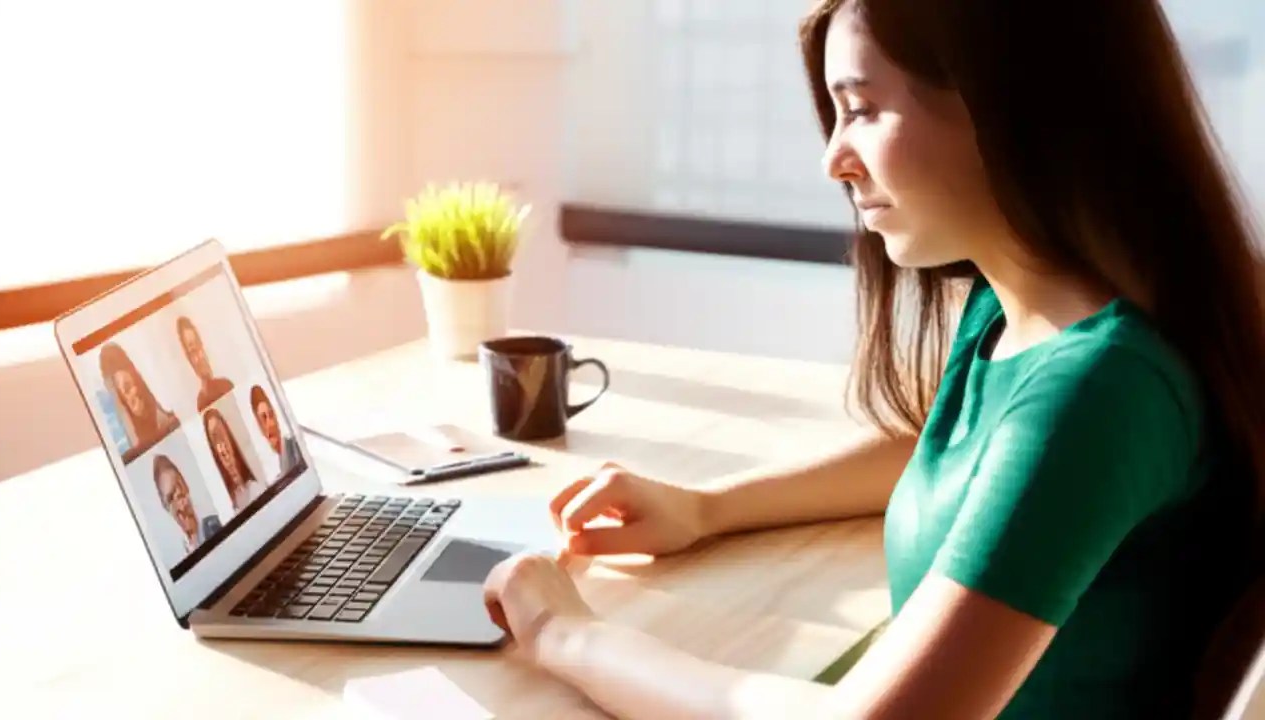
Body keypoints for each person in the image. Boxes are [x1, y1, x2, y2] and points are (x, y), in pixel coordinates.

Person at [480, 1, 1265, 718]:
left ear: (1008, 103)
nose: (834, 160)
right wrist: (708, 508)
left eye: (860, 110)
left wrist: (561, 633)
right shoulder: (1024, 312)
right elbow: (961, 453)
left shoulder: (1103, 389)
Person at [98, 342, 179, 452]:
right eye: (127, 388)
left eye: (136, 380)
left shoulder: (173, 421)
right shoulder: (133, 452)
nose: (135, 390)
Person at [152, 454, 221, 554]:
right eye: (170, 497)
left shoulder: (214, 526)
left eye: (179, 486)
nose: (180, 502)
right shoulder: (180, 551)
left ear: (186, 486)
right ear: (165, 506)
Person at [202, 407, 266, 512]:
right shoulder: (229, 506)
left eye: (222, 436)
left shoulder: (255, 489)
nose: (222, 450)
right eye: (215, 440)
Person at [177, 316, 235, 411]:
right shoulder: (201, 402)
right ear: (189, 359)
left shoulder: (226, 385)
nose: (200, 355)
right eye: (193, 351)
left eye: (199, 345)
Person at [249, 384, 303, 478]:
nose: (271, 424)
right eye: (263, 418)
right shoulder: (270, 469)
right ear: (259, 426)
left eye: (271, 415)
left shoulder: (294, 447)